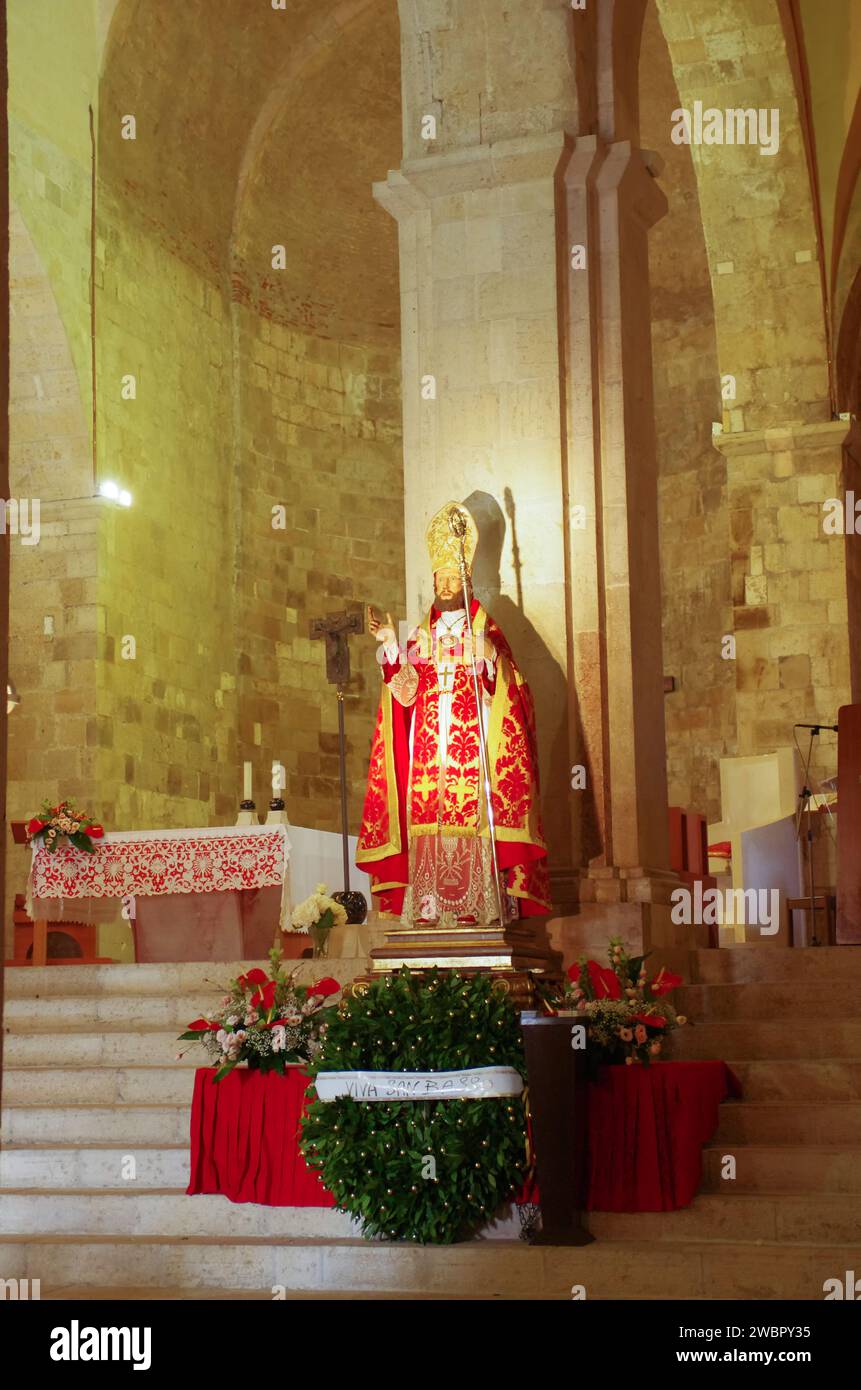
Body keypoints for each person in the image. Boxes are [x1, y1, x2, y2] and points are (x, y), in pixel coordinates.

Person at [357, 501, 549, 924]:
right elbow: (404, 692)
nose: (444, 586)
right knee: (430, 822)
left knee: (472, 820)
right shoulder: (421, 635)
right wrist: (391, 645)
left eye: (452, 578)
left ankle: (475, 905)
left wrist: (491, 660)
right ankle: (428, 904)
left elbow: (514, 690)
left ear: (466, 582)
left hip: (471, 747)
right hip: (428, 748)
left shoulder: (486, 630)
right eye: (439, 578)